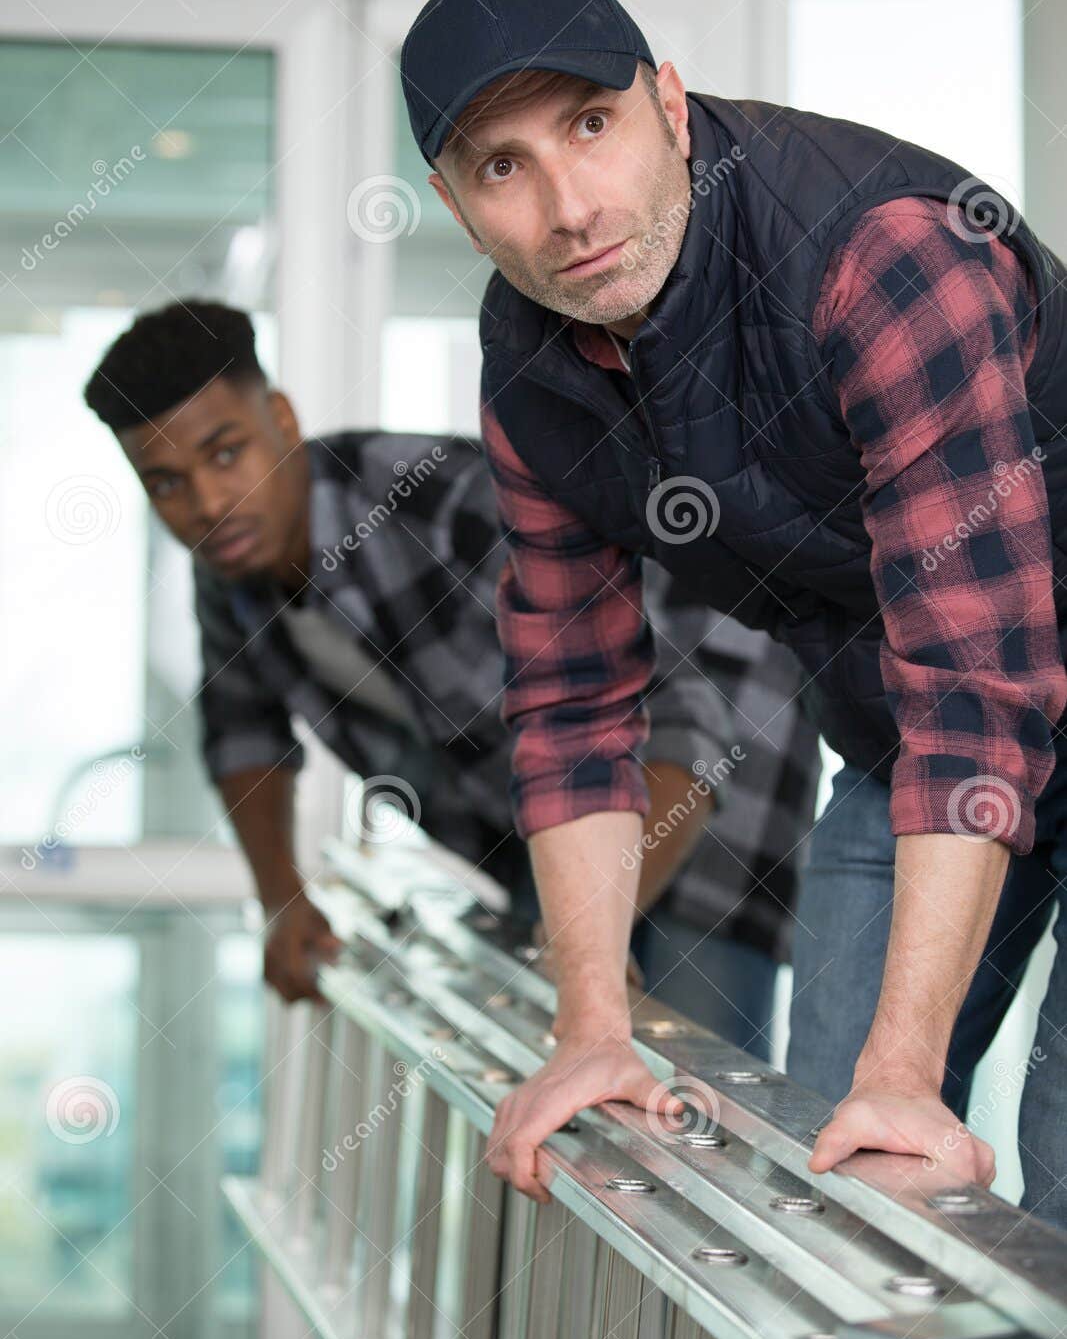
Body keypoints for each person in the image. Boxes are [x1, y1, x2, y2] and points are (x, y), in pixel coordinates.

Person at [400, 0, 1067, 1221]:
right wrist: (590, 1025)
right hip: (897, 741)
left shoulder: (881, 256)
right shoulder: (528, 366)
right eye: (502, 165)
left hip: (966, 695)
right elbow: (572, 697)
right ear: (449, 200)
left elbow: (974, 672)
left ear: (667, 103)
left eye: (588, 126)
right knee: (826, 1186)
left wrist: (905, 1074)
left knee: (1041, 1178)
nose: (568, 207)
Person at [82, 301, 820, 1051]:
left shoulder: (443, 503)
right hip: (561, 817)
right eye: (168, 484)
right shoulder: (227, 572)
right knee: (566, 1076)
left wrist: (588, 944)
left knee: (694, 1094)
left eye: (226, 453)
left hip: (722, 762)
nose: (208, 504)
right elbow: (244, 737)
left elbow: (685, 714)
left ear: (280, 418)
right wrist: (283, 901)